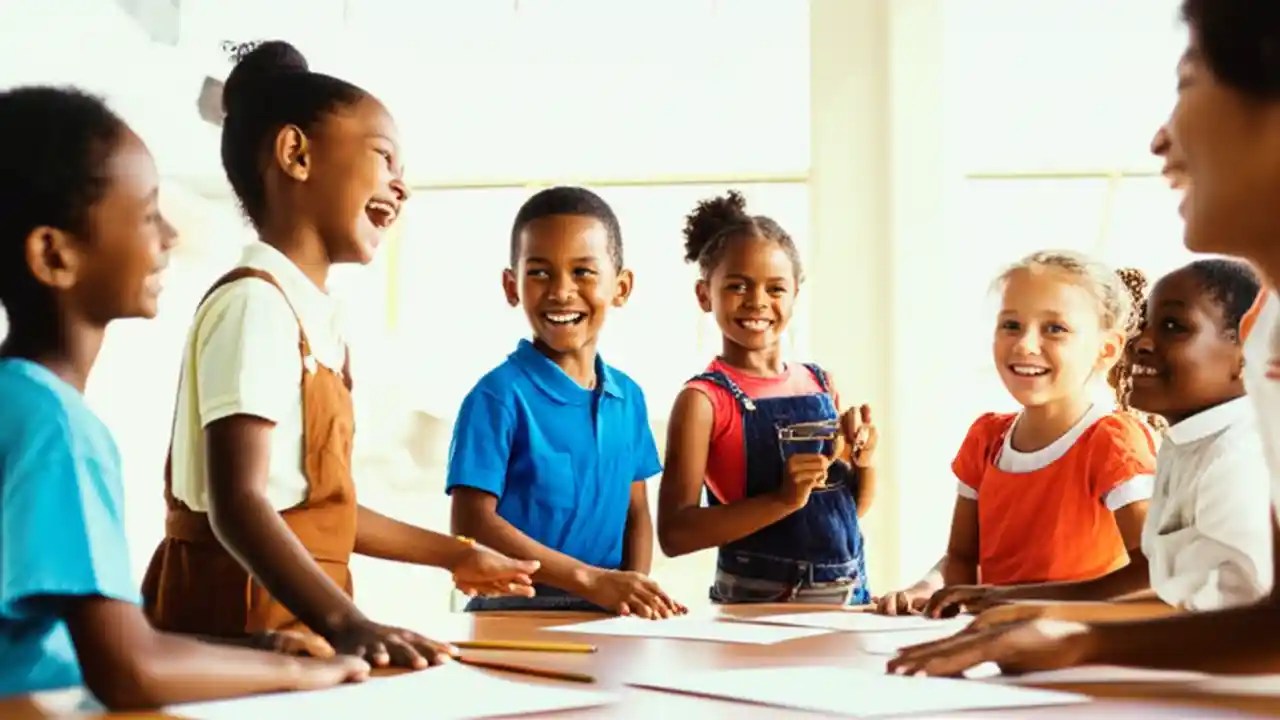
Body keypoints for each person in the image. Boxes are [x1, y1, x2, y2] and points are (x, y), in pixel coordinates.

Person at [888, 0, 1280, 676]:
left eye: (1188, 84)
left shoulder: (1134, 439)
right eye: (1009, 324)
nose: (1161, 139)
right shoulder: (1267, 330)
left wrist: (1068, 623)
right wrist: (1072, 635)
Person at [141, 41, 538, 669]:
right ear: (297, 154)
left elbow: (322, 510)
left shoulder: (314, 319)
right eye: (384, 156)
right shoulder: (255, 304)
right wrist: (351, 623)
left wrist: (454, 554)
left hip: (296, 622)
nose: (401, 185)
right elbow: (239, 504)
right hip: (239, 620)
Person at [0, 85, 369, 708]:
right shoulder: (55, 428)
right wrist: (307, 675)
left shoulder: (18, 404)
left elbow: (91, 640)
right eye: (147, 215)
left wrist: (250, 653)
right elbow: (128, 672)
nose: (169, 235)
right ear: (54, 255)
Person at [927, 259, 1272, 627]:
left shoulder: (1235, 458)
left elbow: (1217, 610)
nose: (1143, 343)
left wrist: (1038, 618)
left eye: (1173, 326)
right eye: (1011, 325)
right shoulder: (1181, 447)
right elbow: (1171, 588)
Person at [875, 250, 1156, 616]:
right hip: (993, 646)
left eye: (1055, 329)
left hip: (1075, 652)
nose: (1024, 345)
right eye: (1011, 325)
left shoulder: (1112, 442)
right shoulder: (985, 438)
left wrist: (1012, 601)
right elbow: (961, 559)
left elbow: (1154, 573)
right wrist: (926, 588)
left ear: (1107, 350)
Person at [448, 186, 684, 618]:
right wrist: (589, 580)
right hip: (513, 610)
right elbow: (470, 525)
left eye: (583, 272)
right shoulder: (497, 396)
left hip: (607, 608)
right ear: (510, 285)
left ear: (622, 287)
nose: (561, 291)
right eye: (539, 272)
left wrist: (631, 592)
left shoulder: (629, 398)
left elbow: (636, 513)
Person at [656, 190, 877, 604]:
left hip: (850, 594)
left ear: (796, 292)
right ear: (705, 294)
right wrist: (780, 500)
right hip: (759, 599)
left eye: (775, 289)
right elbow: (675, 534)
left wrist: (865, 463)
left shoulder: (820, 382)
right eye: (738, 286)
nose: (757, 301)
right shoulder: (703, 400)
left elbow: (848, 513)